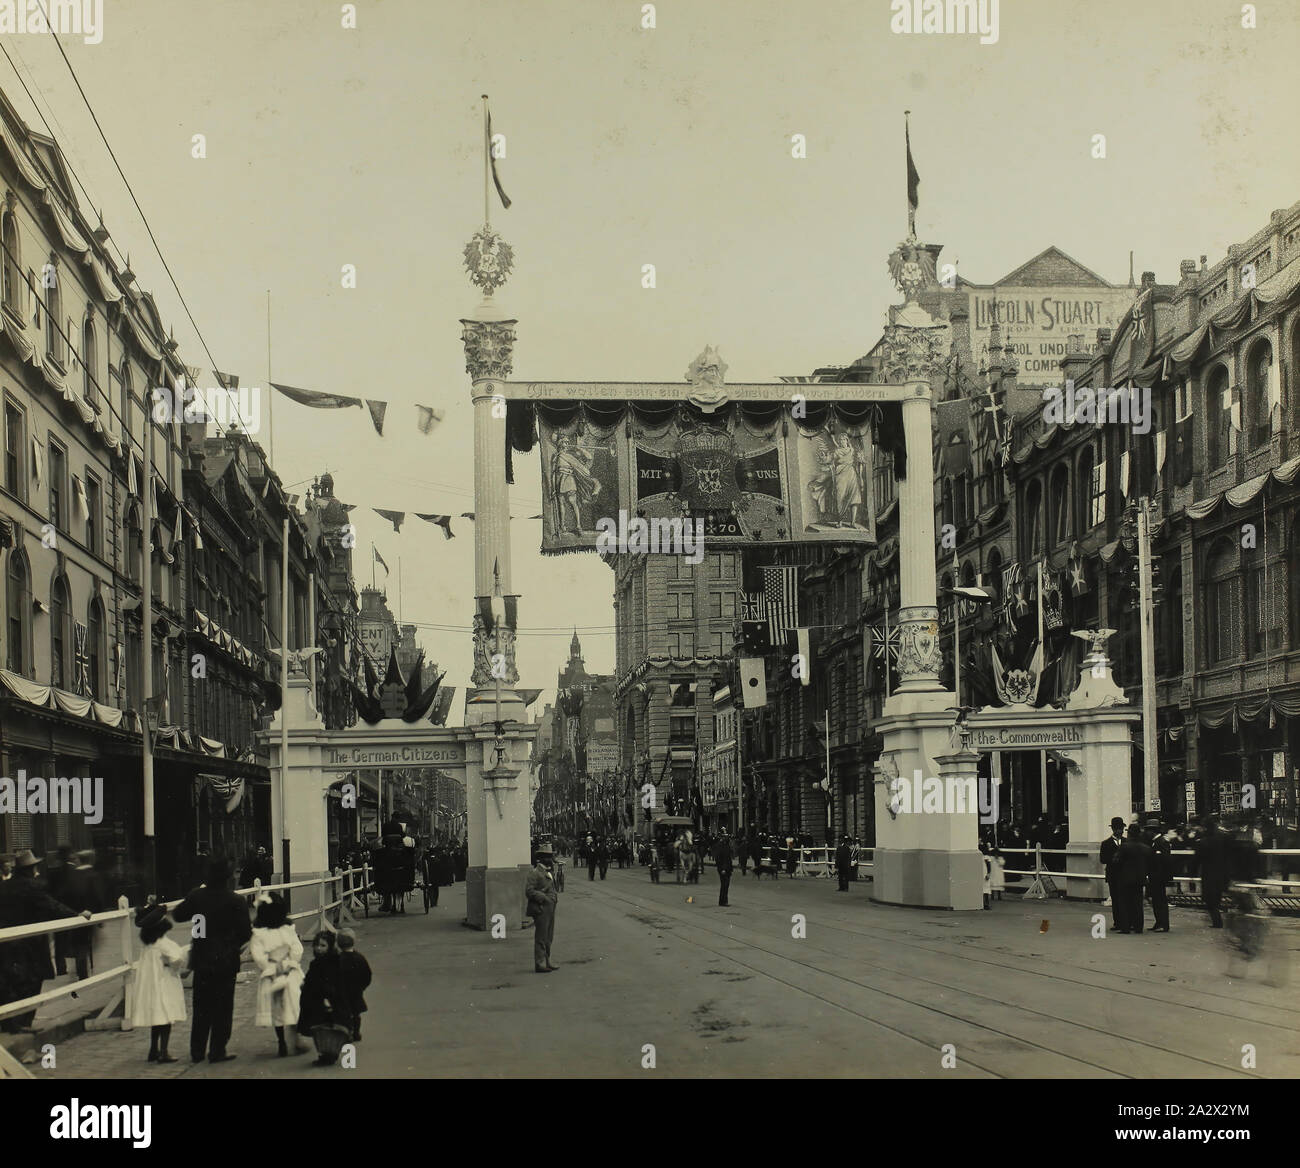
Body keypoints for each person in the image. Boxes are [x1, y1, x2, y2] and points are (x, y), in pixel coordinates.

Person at [0, 850, 92, 1032]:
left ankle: (8, 1022)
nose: (37, 871)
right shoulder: (31, 887)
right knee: (33, 980)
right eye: (34, 868)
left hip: (7, 942)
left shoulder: (4, 887)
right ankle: (23, 1022)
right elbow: (52, 906)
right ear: (29, 869)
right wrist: (77, 915)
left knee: (10, 981)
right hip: (30, 944)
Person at [172, 857, 252, 1063]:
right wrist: (231, 944)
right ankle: (218, 1050)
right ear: (227, 878)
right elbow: (245, 933)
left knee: (201, 1008)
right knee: (224, 1008)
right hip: (226, 960)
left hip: (202, 958)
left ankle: (197, 1051)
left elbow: (179, 915)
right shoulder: (236, 901)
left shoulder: (196, 896)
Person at [249, 892, 308, 1057]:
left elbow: (258, 955)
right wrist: (288, 963)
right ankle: (292, 1038)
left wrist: (274, 967)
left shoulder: (261, 933)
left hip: (275, 971)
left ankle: (284, 1041)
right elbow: (297, 949)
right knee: (292, 1004)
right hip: (285, 971)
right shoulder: (285, 930)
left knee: (279, 1009)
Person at [131, 903, 188, 1063]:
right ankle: (164, 1052)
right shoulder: (163, 944)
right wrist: (178, 963)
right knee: (166, 1017)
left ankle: (153, 1049)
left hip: (152, 984)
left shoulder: (148, 944)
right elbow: (176, 959)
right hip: (164, 982)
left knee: (157, 1018)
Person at [298, 931, 356, 1066]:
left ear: (329, 947)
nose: (318, 948)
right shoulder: (317, 963)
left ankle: (328, 1055)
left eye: (323, 945)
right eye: (317, 945)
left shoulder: (332, 963)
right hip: (317, 1001)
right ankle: (327, 1054)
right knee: (321, 1030)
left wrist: (327, 998)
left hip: (326, 1002)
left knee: (326, 1030)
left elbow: (332, 984)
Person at [57, 850, 105, 980]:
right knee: (86, 943)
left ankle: (80, 969)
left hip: (75, 913)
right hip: (90, 914)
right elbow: (98, 897)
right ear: (91, 860)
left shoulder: (72, 876)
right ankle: (83, 972)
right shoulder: (93, 875)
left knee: (79, 943)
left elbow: (64, 895)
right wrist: (100, 917)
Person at [525, 844, 559, 973]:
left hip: (550, 908)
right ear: (541, 858)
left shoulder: (548, 871)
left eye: (550, 856)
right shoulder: (535, 873)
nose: (550, 859)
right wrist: (543, 898)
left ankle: (547, 961)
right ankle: (539, 963)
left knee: (549, 937)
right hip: (542, 908)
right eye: (548, 857)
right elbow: (529, 891)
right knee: (541, 937)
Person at [1113, 823, 1152, 934]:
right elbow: (1150, 864)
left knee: (1124, 903)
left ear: (1129, 833)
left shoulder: (1124, 847)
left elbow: (1116, 861)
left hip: (1125, 878)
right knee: (1137, 903)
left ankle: (1125, 927)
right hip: (1140, 879)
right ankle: (1138, 927)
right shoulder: (1146, 848)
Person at [336, 930, 372, 1042]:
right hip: (356, 991)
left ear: (338, 943)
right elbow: (367, 974)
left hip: (342, 992)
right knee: (356, 1014)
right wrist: (362, 987)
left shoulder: (338, 959)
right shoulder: (360, 958)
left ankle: (348, 1033)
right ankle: (356, 1032)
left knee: (345, 1014)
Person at [1195, 816, 1230, 928]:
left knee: (1210, 899)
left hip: (1208, 873)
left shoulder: (1203, 842)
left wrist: (1193, 870)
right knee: (1217, 897)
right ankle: (1217, 920)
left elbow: (1197, 858)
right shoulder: (1222, 839)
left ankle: (1217, 921)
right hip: (1221, 872)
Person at [1099, 817, 1126, 932]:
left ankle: (1125, 921)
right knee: (1115, 899)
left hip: (1125, 875)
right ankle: (1117, 922)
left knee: (1124, 899)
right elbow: (1102, 859)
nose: (1121, 831)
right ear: (1114, 829)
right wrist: (1114, 859)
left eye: (1122, 829)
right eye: (1119, 829)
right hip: (1113, 875)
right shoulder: (1105, 843)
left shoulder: (1126, 842)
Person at [1149, 825, 1174, 933]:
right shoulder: (1157, 842)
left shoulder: (1162, 842)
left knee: (1160, 900)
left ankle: (1163, 924)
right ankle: (1159, 922)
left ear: (1153, 831)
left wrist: (1165, 877)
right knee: (1156, 900)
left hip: (1159, 877)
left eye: (1148, 830)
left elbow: (1166, 861)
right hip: (1156, 876)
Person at [714, 827, 734, 907]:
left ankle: (724, 900)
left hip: (728, 868)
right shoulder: (720, 845)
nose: (726, 837)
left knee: (726, 885)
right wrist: (722, 868)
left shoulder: (726, 845)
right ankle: (722, 901)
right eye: (725, 836)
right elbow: (718, 858)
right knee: (724, 885)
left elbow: (729, 857)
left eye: (727, 836)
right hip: (723, 868)